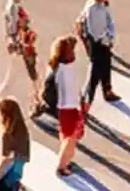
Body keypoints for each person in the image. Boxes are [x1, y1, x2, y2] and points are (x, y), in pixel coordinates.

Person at [76, 0, 121, 109]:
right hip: (97, 43)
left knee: (106, 65)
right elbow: (93, 29)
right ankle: (86, 99)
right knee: (95, 72)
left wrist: (110, 36)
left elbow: (110, 21)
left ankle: (107, 90)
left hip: (105, 40)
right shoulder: (92, 8)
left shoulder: (103, 5)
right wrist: (102, 39)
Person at [0, 0, 41, 117]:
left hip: (23, 44)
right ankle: (35, 103)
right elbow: (13, 28)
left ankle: (36, 101)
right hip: (21, 46)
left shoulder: (15, 5)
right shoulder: (13, 7)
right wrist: (20, 42)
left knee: (29, 75)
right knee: (25, 76)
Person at [50, 35, 83, 178]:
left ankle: (66, 161)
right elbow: (72, 90)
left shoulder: (58, 66)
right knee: (70, 138)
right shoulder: (66, 68)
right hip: (69, 108)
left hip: (65, 107)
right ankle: (62, 166)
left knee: (68, 136)